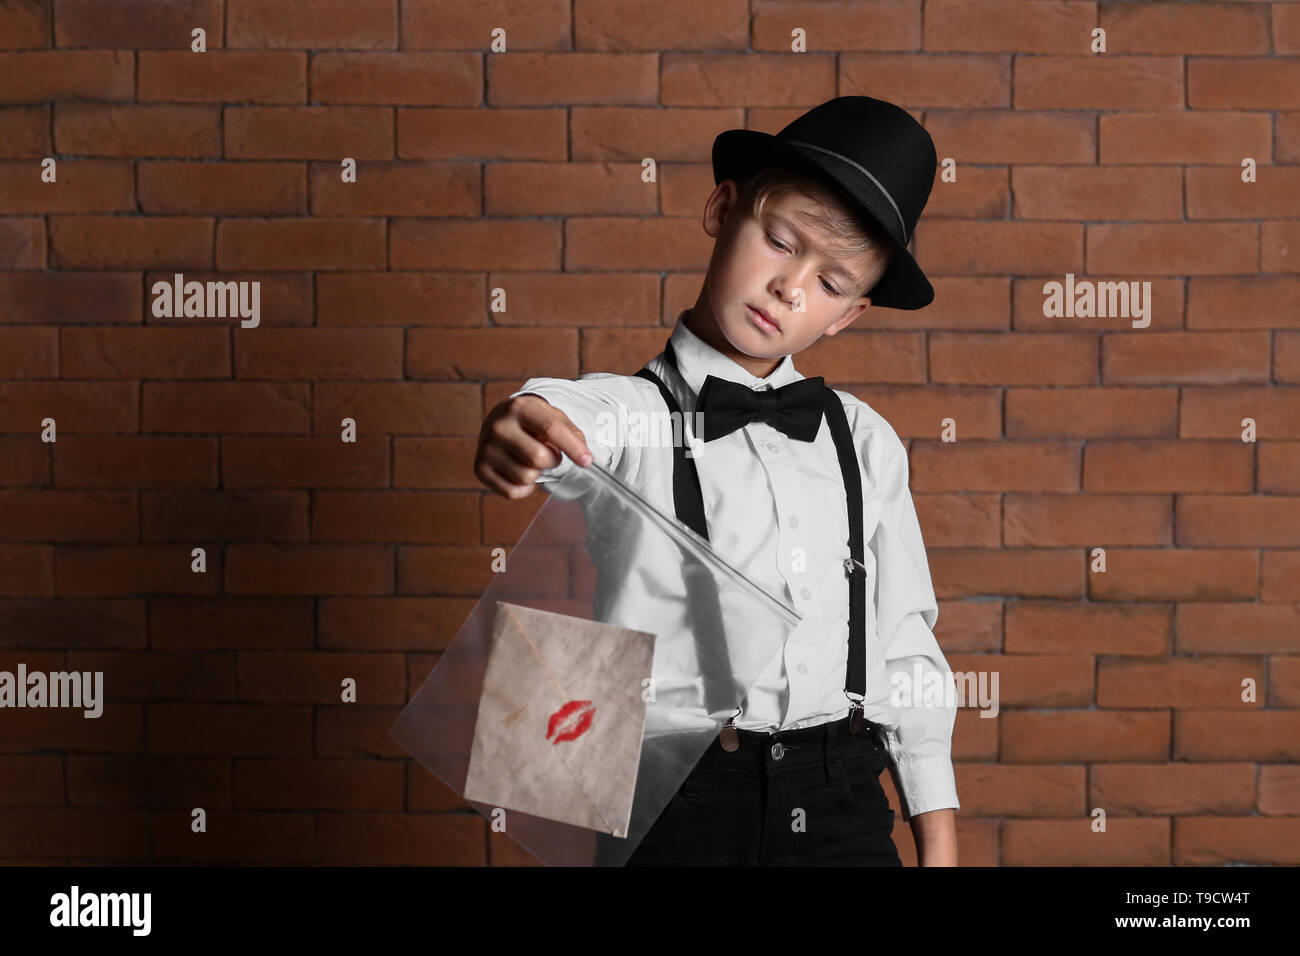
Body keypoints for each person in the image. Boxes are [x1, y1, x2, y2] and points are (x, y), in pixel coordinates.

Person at [474, 96, 960, 866]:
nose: (791, 288)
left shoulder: (862, 438)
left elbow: (904, 643)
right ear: (722, 207)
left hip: (843, 797)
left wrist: (937, 839)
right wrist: (529, 419)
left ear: (849, 316)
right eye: (779, 242)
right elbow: (574, 415)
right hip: (675, 797)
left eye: (831, 283)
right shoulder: (635, 416)